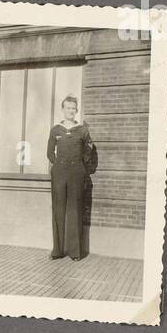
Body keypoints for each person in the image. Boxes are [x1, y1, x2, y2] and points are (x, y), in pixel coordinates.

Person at [46, 95, 95, 262]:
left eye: (73, 108)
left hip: (76, 173)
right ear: (63, 109)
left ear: (76, 110)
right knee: (58, 209)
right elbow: (49, 152)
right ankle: (57, 250)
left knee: (74, 209)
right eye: (68, 108)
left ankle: (75, 252)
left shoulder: (82, 130)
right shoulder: (55, 130)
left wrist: (81, 168)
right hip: (59, 172)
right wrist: (58, 164)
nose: (71, 111)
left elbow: (89, 151)